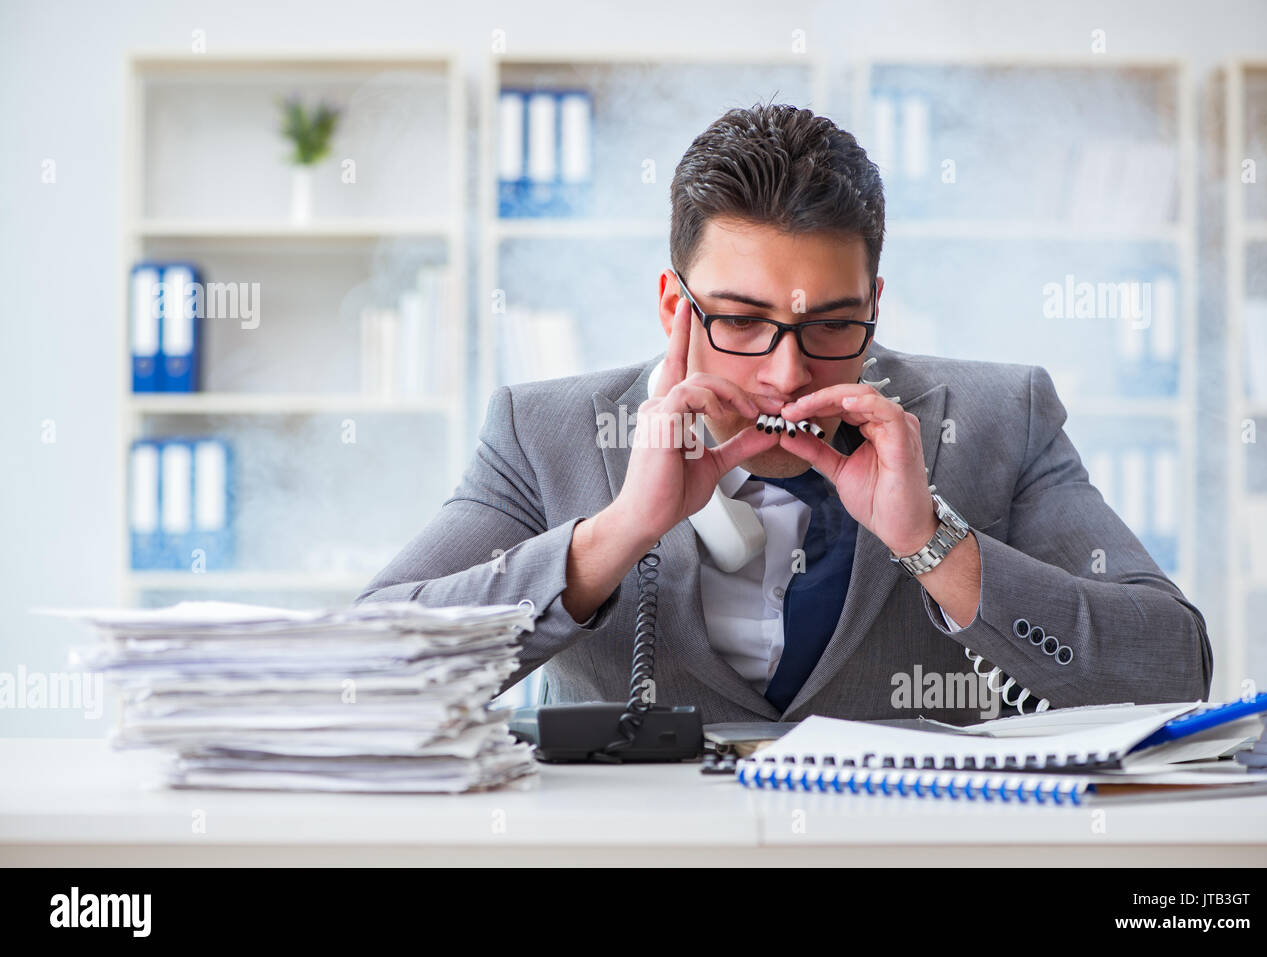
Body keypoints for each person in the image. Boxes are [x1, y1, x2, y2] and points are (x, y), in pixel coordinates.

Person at [355, 102, 1211, 725]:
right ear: (672, 306)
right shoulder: (542, 434)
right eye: (739, 320)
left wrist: (935, 546)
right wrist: (618, 531)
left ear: (876, 303)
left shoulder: (1001, 417)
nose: (787, 370)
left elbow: (1171, 667)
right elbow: (364, 672)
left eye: (833, 324)